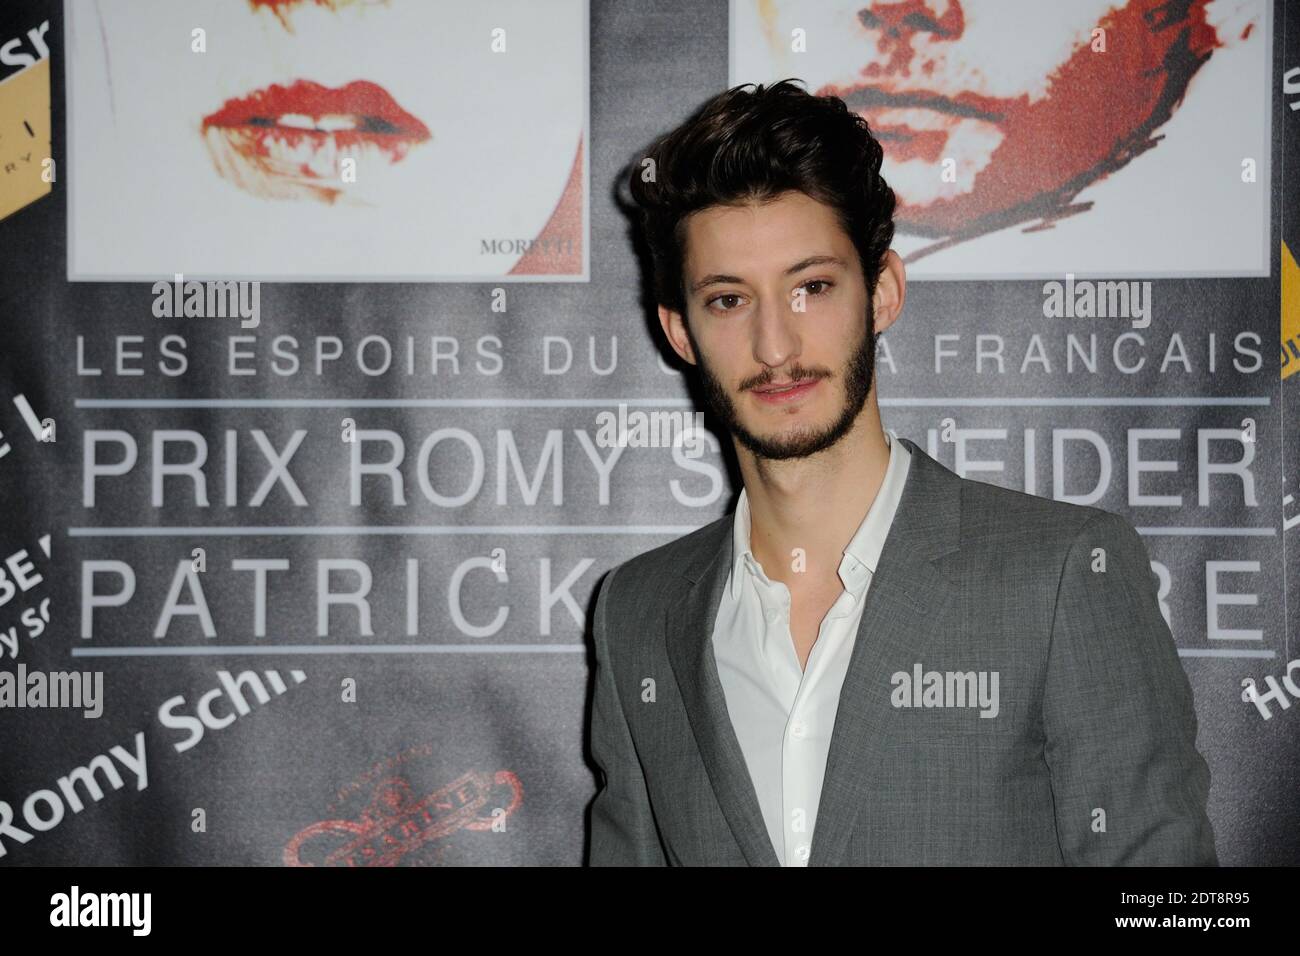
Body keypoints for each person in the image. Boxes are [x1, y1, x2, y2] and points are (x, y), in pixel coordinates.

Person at [587, 79, 1217, 866]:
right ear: (680, 331)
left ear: (880, 292)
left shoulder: (1061, 574)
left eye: (812, 287)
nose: (775, 345)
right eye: (727, 300)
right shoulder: (637, 614)